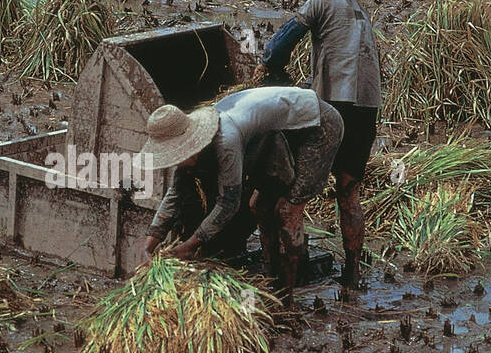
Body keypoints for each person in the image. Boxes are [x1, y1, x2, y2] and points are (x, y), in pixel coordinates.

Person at [258, 0, 384, 290]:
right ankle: (353, 274)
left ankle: (285, 282)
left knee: (291, 193)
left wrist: (271, 74)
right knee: (349, 193)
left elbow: (276, 48)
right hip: (366, 109)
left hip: (333, 108)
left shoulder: (318, 2)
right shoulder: (359, 10)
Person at [141, 86, 343, 305]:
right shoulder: (197, 148)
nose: (176, 162)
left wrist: (190, 245)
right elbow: (175, 193)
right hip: (279, 134)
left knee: (287, 211)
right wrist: (149, 244)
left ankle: (287, 300)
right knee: (260, 206)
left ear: (190, 146)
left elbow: (228, 202)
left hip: (318, 124)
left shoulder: (225, 141)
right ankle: (273, 279)